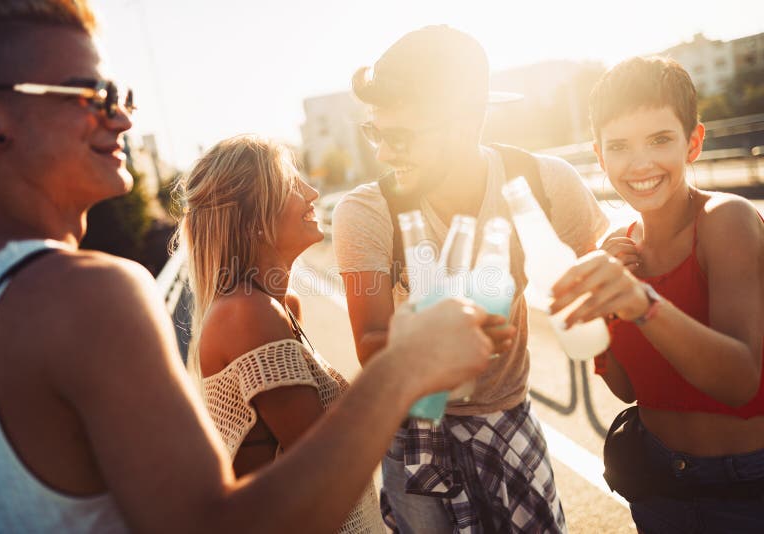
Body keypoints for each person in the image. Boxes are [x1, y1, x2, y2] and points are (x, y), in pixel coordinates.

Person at [0, 2, 504, 532]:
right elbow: (217, 523)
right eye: (92, 95)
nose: (123, 116)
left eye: (122, 96)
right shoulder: (93, 293)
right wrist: (405, 365)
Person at [333, 25, 608, 533]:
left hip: (510, 414)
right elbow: (371, 344)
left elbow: (599, 288)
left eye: (400, 136)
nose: (385, 154)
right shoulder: (366, 211)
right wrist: (441, 337)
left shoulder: (544, 183)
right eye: (376, 132)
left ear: (467, 122)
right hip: (415, 426)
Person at [550, 56, 764, 532]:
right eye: (620, 146)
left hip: (748, 488)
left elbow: (740, 381)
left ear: (693, 142)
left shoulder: (725, 220)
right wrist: (601, 316)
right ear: (600, 156)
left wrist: (639, 303)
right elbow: (628, 388)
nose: (640, 162)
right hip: (657, 485)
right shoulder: (618, 249)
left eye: (660, 139)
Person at [175, 135, 388, 532]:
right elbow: (328, 469)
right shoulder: (245, 315)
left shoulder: (282, 306)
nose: (312, 192)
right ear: (253, 218)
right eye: (292, 185)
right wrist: (411, 365)